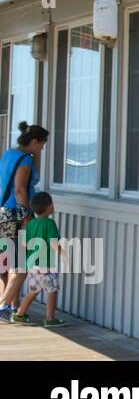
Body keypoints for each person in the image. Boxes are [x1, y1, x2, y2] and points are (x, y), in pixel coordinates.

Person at [0, 122, 49, 323]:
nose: (43, 148)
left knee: (6, 265)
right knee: (20, 266)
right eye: (42, 144)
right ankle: (3, 306)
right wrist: (27, 216)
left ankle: (12, 306)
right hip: (16, 215)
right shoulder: (25, 161)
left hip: (3, 213)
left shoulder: (9, 154)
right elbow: (20, 190)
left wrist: (33, 153)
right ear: (34, 141)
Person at [11, 192, 64, 327]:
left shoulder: (31, 223)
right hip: (44, 264)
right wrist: (62, 253)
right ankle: (50, 318)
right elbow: (53, 242)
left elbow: (24, 244)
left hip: (32, 264)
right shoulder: (49, 223)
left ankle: (19, 315)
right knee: (52, 289)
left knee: (34, 290)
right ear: (50, 206)